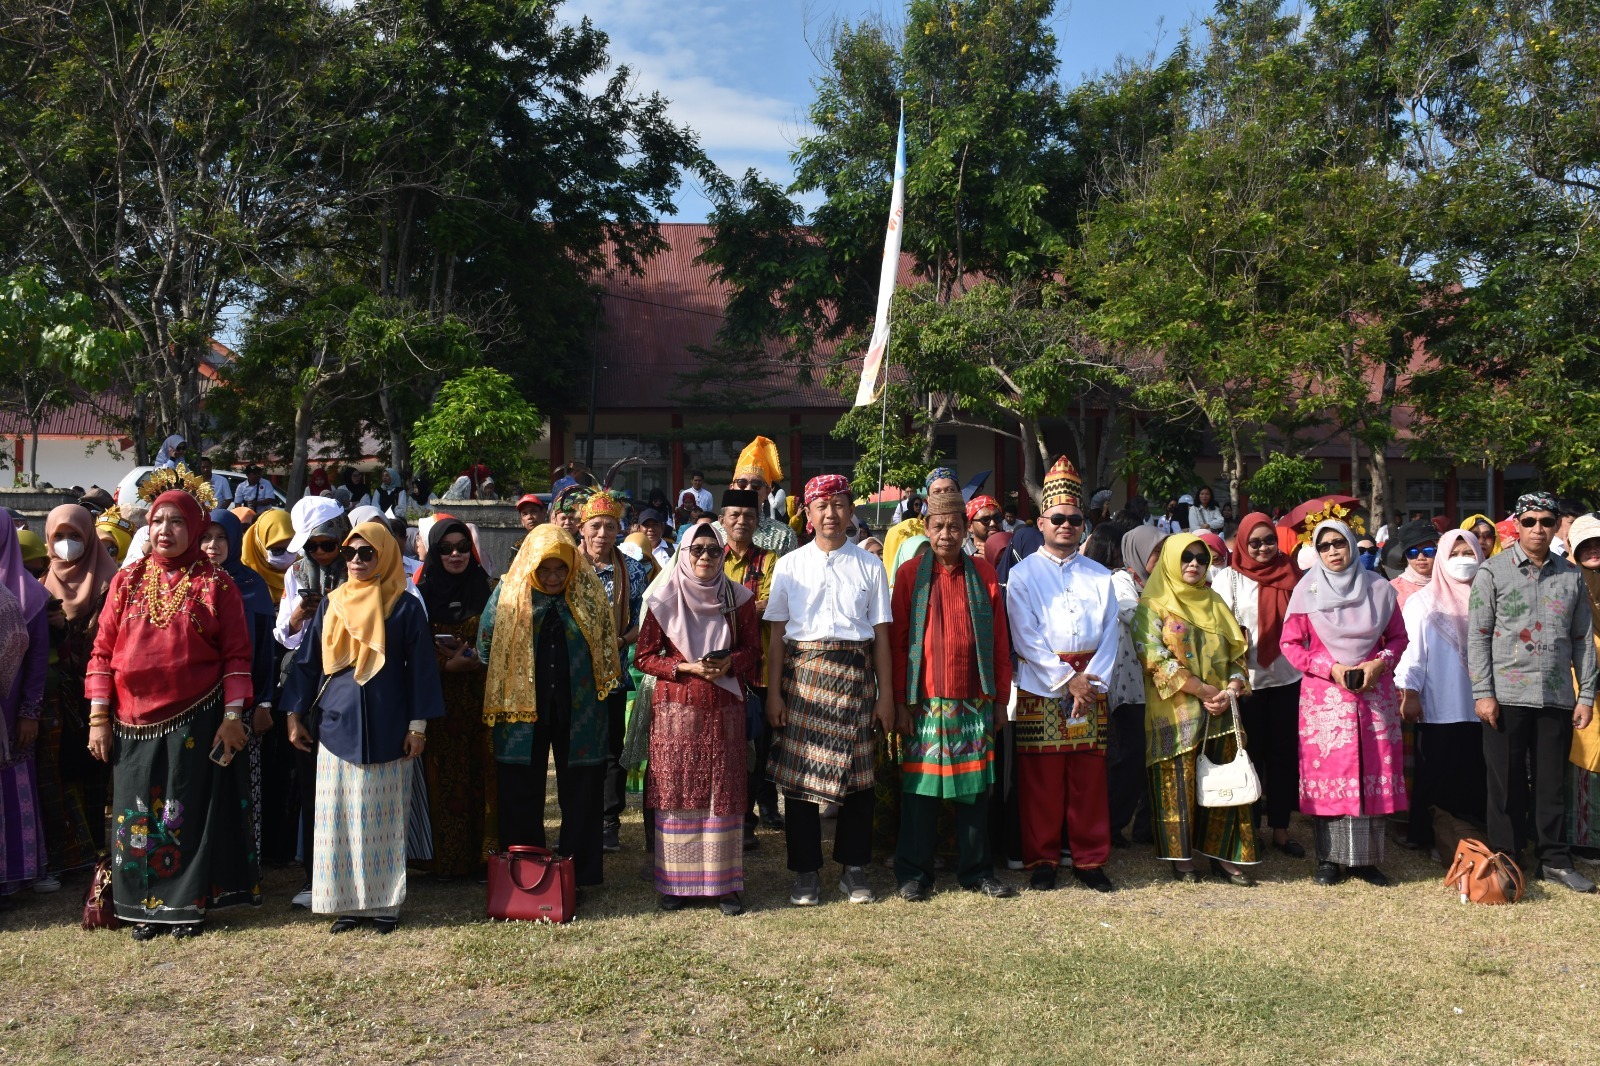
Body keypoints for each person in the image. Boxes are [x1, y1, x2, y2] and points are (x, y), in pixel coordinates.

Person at [85, 486, 260, 939]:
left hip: (195, 716)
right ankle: (139, 906)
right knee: (134, 814)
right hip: (129, 721)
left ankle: (184, 905)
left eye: (177, 521)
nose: (166, 530)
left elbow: (238, 656)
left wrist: (233, 716)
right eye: (159, 521)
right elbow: (102, 652)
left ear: (195, 528)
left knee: (182, 813)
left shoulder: (216, 583)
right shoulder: (126, 581)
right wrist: (98, 719)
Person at [281, 521, 444, 933]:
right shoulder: (331, 604)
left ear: (385, 555)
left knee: (383, 817)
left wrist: (418, 726)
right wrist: (293, 715)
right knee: (338, 818)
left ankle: (384, 904)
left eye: (366, 553)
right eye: (350, 553)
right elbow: (307, 663)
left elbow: (422, 672)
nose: (355, 560)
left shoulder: (404, 606)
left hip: (391, 726)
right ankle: (346, 904)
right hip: (336, 725)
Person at [764, 474, 894, 906]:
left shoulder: (870, 565)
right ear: (808, 513)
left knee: (859, 781)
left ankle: (853, 869)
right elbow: (778, 635)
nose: (831, 514)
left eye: (839, 505)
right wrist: (774, 694)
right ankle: (805, 872)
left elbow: (881, 637)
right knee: (799, 783)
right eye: (822, 506)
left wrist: (886, 695)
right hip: (802, 680)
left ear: (850, 511)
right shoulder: (789, 564)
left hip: (856, 679)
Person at [888, 486, 1015, 900]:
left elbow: (999, 641)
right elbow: (898, 640)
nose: (946, 533)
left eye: (954, 525)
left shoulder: (985, 574)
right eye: (938, 525)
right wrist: (902, 703)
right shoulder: (910, 575)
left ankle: (977, 871)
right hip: (923, 703)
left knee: (974, 793)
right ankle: (914, 874)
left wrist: (999, 702)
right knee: (920, 795)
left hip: (972, 699)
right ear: (926, 528)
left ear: (965, 530)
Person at [1468, 492, 1598, 893]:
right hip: (1505, 695)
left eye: (1545, 521)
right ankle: (1506, 859)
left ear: (1558, 525)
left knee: (1550, 784)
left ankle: (1554, 860)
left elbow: (1582, 638)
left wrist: (1586, 694)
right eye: (1529, 522)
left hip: (1557, 694)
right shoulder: (1492, 572)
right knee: (1504, 785)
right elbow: (1478, 636)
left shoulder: (1571, 574)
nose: (1537, 529)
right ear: (1518, 524)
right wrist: (1483, 692)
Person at [479, 525, 621, 891]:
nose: (554, 577)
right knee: (520, 786)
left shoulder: (587, 594)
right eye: (545, 569)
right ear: (530, 565)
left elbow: (607, 643)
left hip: (581, 707)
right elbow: (486, 643)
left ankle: (581, 874)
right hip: (521, 709)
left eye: (560, 569)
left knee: (582, 787)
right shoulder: (510, 594)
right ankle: (525, 872)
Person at [1004, 457, 1119, 893]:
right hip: (1042, 685)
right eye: (1058, 518)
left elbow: (1111, 633)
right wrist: (1065, 678)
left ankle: (1090, 860)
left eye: (1074, 518)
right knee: (1042, 781)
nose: (1067, 525)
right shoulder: (1022, 574)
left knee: (1088, 778)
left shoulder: (1101, 575)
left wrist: (1090, 683)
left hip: (1091, 686)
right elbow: (1026, 636)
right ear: (1042, 522)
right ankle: (1042, 859)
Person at [635, 521, 760, 915]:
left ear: (723, 554)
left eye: (713, 550)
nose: (705, 556)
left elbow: (753, 650)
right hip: (677, 708)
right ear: (684, 553)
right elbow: (644, 657)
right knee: (678, 790)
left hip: (725, 707)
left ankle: (724, 886)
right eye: (697, 550)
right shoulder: (663, 597)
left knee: (722, 789)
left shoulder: (739, 599)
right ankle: (675, 884)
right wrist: (686, 668)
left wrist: (728, 664)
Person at [1279, 520, 1407, 887]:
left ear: (1352, 545)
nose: (1334, 551)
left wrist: (1379, 662)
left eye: (1340, 543)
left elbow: (1398, 638)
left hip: (1373, 694)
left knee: (1370, 773)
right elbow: (1290, 645)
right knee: (1331, 775)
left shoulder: (1379, 590)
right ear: (1316, 553)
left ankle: (1366, 861)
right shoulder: (1307, 592)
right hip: (1325, 699)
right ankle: (1328, 860)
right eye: (1325, 546)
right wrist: (1329, 667)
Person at [1135, 534, 1257, 884]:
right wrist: (1203, 690)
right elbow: (1154, 659)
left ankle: (1224, 854)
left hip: (1221, 709)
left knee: (1224, 784)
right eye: (1185, 557)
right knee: (1178, 785)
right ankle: (1182, 856)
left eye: (1201, 559)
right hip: (1175, 714)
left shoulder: (1215, 601)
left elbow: (1237, 655)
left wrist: (1232, 687)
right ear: (1170, 560)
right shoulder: (1152, 605)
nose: (1193, 564)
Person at [1213, 512, 1306, 858]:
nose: (1264, 548)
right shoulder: (1228, 579)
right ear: (1242, 543)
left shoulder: (1293, 575)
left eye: (1269, 541)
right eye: (1255, 542)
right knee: (1248, 757)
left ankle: (1281, 830)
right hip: (1245, 683)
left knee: (1283, 757)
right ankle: (1249, 829)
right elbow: (1217, 627)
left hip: (1287, 678)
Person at [1394, 528, 1488, 852]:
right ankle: (1430, 835)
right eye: (1454, 554)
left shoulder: (1491, 595)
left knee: (1476, 769)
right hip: (1440, 702)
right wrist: (1411, 693)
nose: (1462, 561)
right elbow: (1412, 652)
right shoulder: (1423, 600)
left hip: (1484, 703)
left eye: (1469, 554)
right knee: (1436, 769)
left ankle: (1472, 837)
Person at [40, 504, 119, 870]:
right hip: (58, 697)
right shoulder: (40, 583)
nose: (67, 545)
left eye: (75, 536)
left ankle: (97, 849)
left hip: (100, 694)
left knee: (95, 769)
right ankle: (71, 851)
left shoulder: (110, 581)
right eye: (59, 537)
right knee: (61, 769)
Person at [414, 518, 494, 878]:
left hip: (480, 699)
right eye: (445, 549)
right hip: (438, 701)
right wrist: (445, 667)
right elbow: (409, 650)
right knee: (441, 776)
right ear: (434, 552)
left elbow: (504, 642)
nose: (456, 554)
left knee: (480, 774)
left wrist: (476, 660)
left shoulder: (489, 591)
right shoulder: (420, 595)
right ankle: (442, 860)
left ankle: (482, 857)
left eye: (463, 547)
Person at [570, 490, 650, 855]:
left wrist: (619, 641)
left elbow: (643, 621)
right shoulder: (565, 565)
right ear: (582, 529)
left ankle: (608, 821)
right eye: (596, 526)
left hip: (613, 673)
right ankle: (576, 819)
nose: (602, 534)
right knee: (573, 748)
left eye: (610, 526)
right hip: (571, 674)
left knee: (609, 750)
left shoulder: (631, 570)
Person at [198, 509, 279, 862]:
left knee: (242, 782)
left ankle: (245, 862)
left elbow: (265, 650)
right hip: (195, 703)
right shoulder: (188, 583)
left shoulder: (250, 585)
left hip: (242, 703)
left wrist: (263, 702)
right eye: (205, 537)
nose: (212, 545)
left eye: (221, 538)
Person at [721, 488, 782, 838]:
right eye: (735, 516)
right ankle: (733, 818)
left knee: (759, 747)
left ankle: (747, 820)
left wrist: (727, 608)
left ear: (758, 522)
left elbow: (771, 606)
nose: (741, 521)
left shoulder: (771, 560)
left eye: (748, 517)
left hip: (759, 670)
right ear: (723, 520)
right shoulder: (712, 555)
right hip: (721, 670)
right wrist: (749, 607)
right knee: (728, 748)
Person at [0, 510, 49, 897]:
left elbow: (37, 663)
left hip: (14, 711)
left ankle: (18, 872)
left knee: (15, 790)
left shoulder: (29, 595)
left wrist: (29, 711)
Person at [1108, 526, 1165, 848]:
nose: (1159, 558)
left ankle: (1146, 826)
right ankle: (1114, 822)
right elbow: (1133, 614)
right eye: (1155, 551)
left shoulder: (1163, 583)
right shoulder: (1120, 581)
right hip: (1131, 685)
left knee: (1156, 754)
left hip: (1161, 683)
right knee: (1131, 756)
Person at [1563, 514, 1600, 855]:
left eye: (1598, 543)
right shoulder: (1567, 581)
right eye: (1585, 544)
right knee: (1583, 753)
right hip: (1579, 683)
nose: (1593, 550)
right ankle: (1583, 840)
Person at [727, 437, 797, 554]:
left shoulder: (784, 536)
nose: (749, 490)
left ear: (767, 492)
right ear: (732, 488)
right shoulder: (714, 531)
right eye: (742, 483)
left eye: (756, 485)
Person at [239, 507, 296, 606]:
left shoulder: (306, 571)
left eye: (292, 548)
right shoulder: (240, 580)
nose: (286, 556)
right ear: (259, 545)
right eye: (277, 550)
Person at [1387, 519, 1438, 608]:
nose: (1421, 558)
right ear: (1405, 555)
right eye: (1413, 552)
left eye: (1428, 551)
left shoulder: (1450, 584)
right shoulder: (1393, 588)